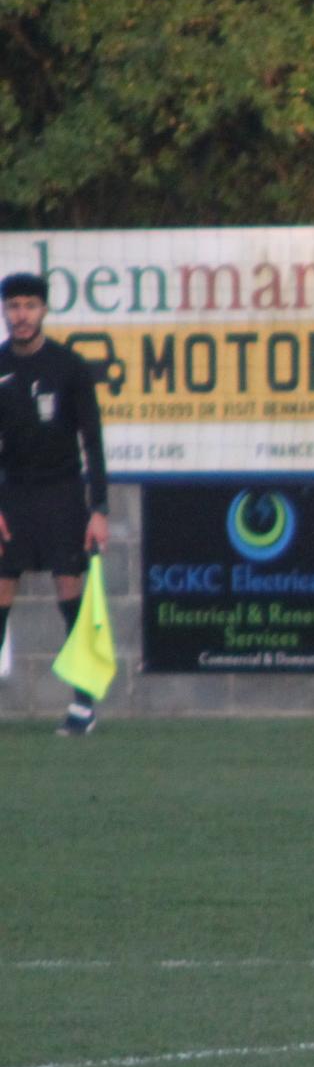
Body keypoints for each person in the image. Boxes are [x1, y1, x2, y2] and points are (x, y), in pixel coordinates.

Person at [0, 271, 109, 735]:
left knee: (71, 592)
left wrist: (99, 509)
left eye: (29, 305)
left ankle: (83, 704)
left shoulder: (69, 366)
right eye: (13, 306)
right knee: (2, 591)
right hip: (13, 493)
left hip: (63, 493)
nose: (21, 315)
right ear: (4, 311)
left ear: (44, 310)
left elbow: (93, 441)